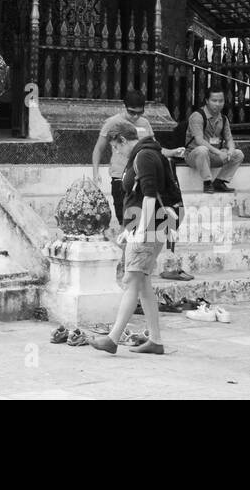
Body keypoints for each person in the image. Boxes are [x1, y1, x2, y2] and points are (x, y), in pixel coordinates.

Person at [91, 121, 181, 356]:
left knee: (132, 278)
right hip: (148, 224)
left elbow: (150, 196)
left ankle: (113, 338)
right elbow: (138, 196)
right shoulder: (147, 154)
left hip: (150, 225)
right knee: (142, 283)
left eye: (116, 147)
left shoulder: (144, 156)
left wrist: (141, 230)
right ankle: (156, 340)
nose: (117, 152)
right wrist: (131, 228)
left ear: (122, 140)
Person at [92, 90, 185, 227]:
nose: (135, 117)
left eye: (139, 113)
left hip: (143, 176)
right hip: (120, 177)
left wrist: (173, 152)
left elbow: (155, 147)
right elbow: (98, 149)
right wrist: (95, 172)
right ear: (124, 107)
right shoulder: (112, 122)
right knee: (125, 220)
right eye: (131, 112)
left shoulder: (145, 123)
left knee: (143, 219)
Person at [185, 86, 244, 193]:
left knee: (238, 154)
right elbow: (199, 141)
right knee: (202, 149)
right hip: (195, 156)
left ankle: (219, 182)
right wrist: (218, 152)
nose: (218, 104)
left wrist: (230, 150)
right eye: (214, 100)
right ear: (207, 101)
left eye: (221, 101)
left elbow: (229, 139)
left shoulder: (224, 119)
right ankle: (207, 182)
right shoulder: (197, 116)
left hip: (214, 156)